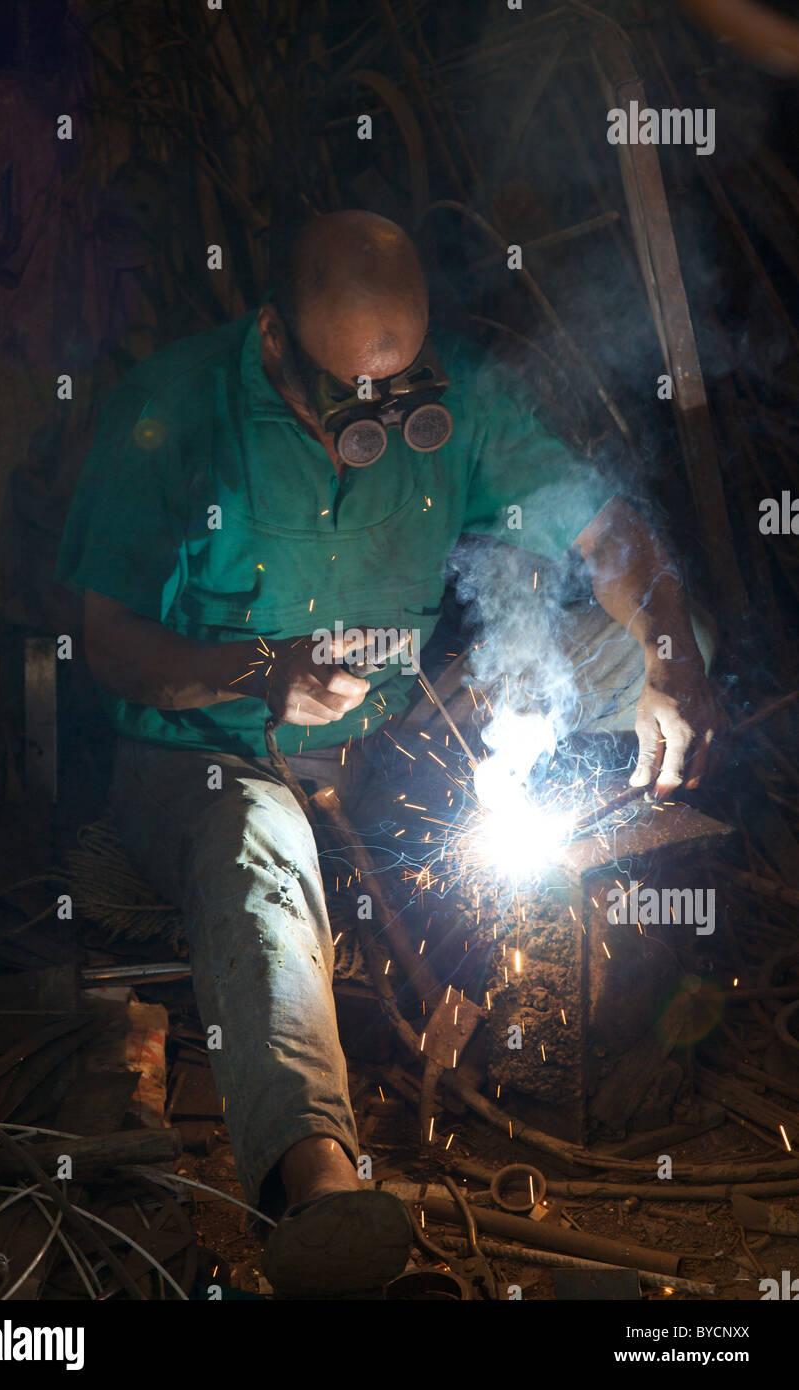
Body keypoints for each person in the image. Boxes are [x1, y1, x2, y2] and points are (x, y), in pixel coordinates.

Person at [56, 210, 725, 1297]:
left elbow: (606, 535)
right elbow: (111, 645)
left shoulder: (453, 398)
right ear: (273, 335)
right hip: (210, 750)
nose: (372, 421)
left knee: (653, 643)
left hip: (382, 726)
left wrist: (670, 663)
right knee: (254, 847)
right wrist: (261, 671)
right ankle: (311, 1174)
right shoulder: (173, 410)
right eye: (341, 398)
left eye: (394, 391)